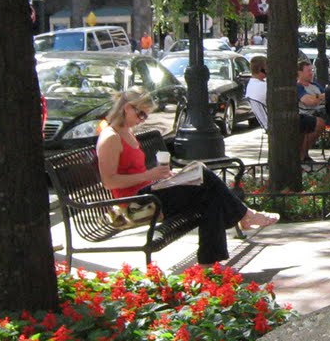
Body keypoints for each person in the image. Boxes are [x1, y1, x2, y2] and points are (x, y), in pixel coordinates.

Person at [96, 88, 277, 264]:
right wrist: (148, 175)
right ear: (127, 108)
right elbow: (109, 182)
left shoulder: (127, 132)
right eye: (141, 114)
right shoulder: (110, 138)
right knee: (204, 175)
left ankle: (209, 263)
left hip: (149, 193)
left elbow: (138, 174)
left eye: (146, 116)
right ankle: (245, 215)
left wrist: (166, 177)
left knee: (208, 194)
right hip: (135, 204)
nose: (142, 120)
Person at [295, 58, 325, 159]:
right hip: (307, 114)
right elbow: (308, 101)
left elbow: (328, 96)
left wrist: (316, 98)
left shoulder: (315, 85)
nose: (311, 73)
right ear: (300, 73)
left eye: (312, 71)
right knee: (320, 123)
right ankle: (302, 155)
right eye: (308, 71)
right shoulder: (298, 87)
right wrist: (320, 97)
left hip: (323, 111)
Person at [244, 55, 269, 128]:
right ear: (261, 69)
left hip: (265, 123)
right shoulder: (264, 87)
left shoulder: (251, 84)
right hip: (274, 123)